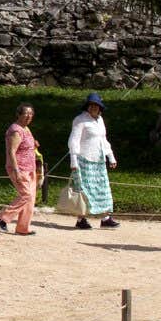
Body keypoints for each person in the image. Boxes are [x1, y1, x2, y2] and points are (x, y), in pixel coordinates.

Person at [68, 93, 119, 230]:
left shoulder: (100, 120)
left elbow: (103, 139)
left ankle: (105, 218)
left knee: (103, 189)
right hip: (84, 160)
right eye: (91, 105)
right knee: (84, 190)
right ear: (87, 106)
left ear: (100, 108)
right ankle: (81, 219)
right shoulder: (80, 120)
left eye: (96, 106)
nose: (93, 108)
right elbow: (74, 140)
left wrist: (110, 156)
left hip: (98, 161)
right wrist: (73, 160)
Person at [0, 104, 41, 236]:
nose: (29, 116)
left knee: (30, 199)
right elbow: (11, 151)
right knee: (26, 195)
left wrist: (34, 144)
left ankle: (23, 228)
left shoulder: (26, 129)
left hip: (30, 168)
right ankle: (2, 217)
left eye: (31, 114)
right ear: (19, 114)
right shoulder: (15, 130)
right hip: (19, 168)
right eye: (26, 113)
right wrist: (16, 170)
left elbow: (26, 145)